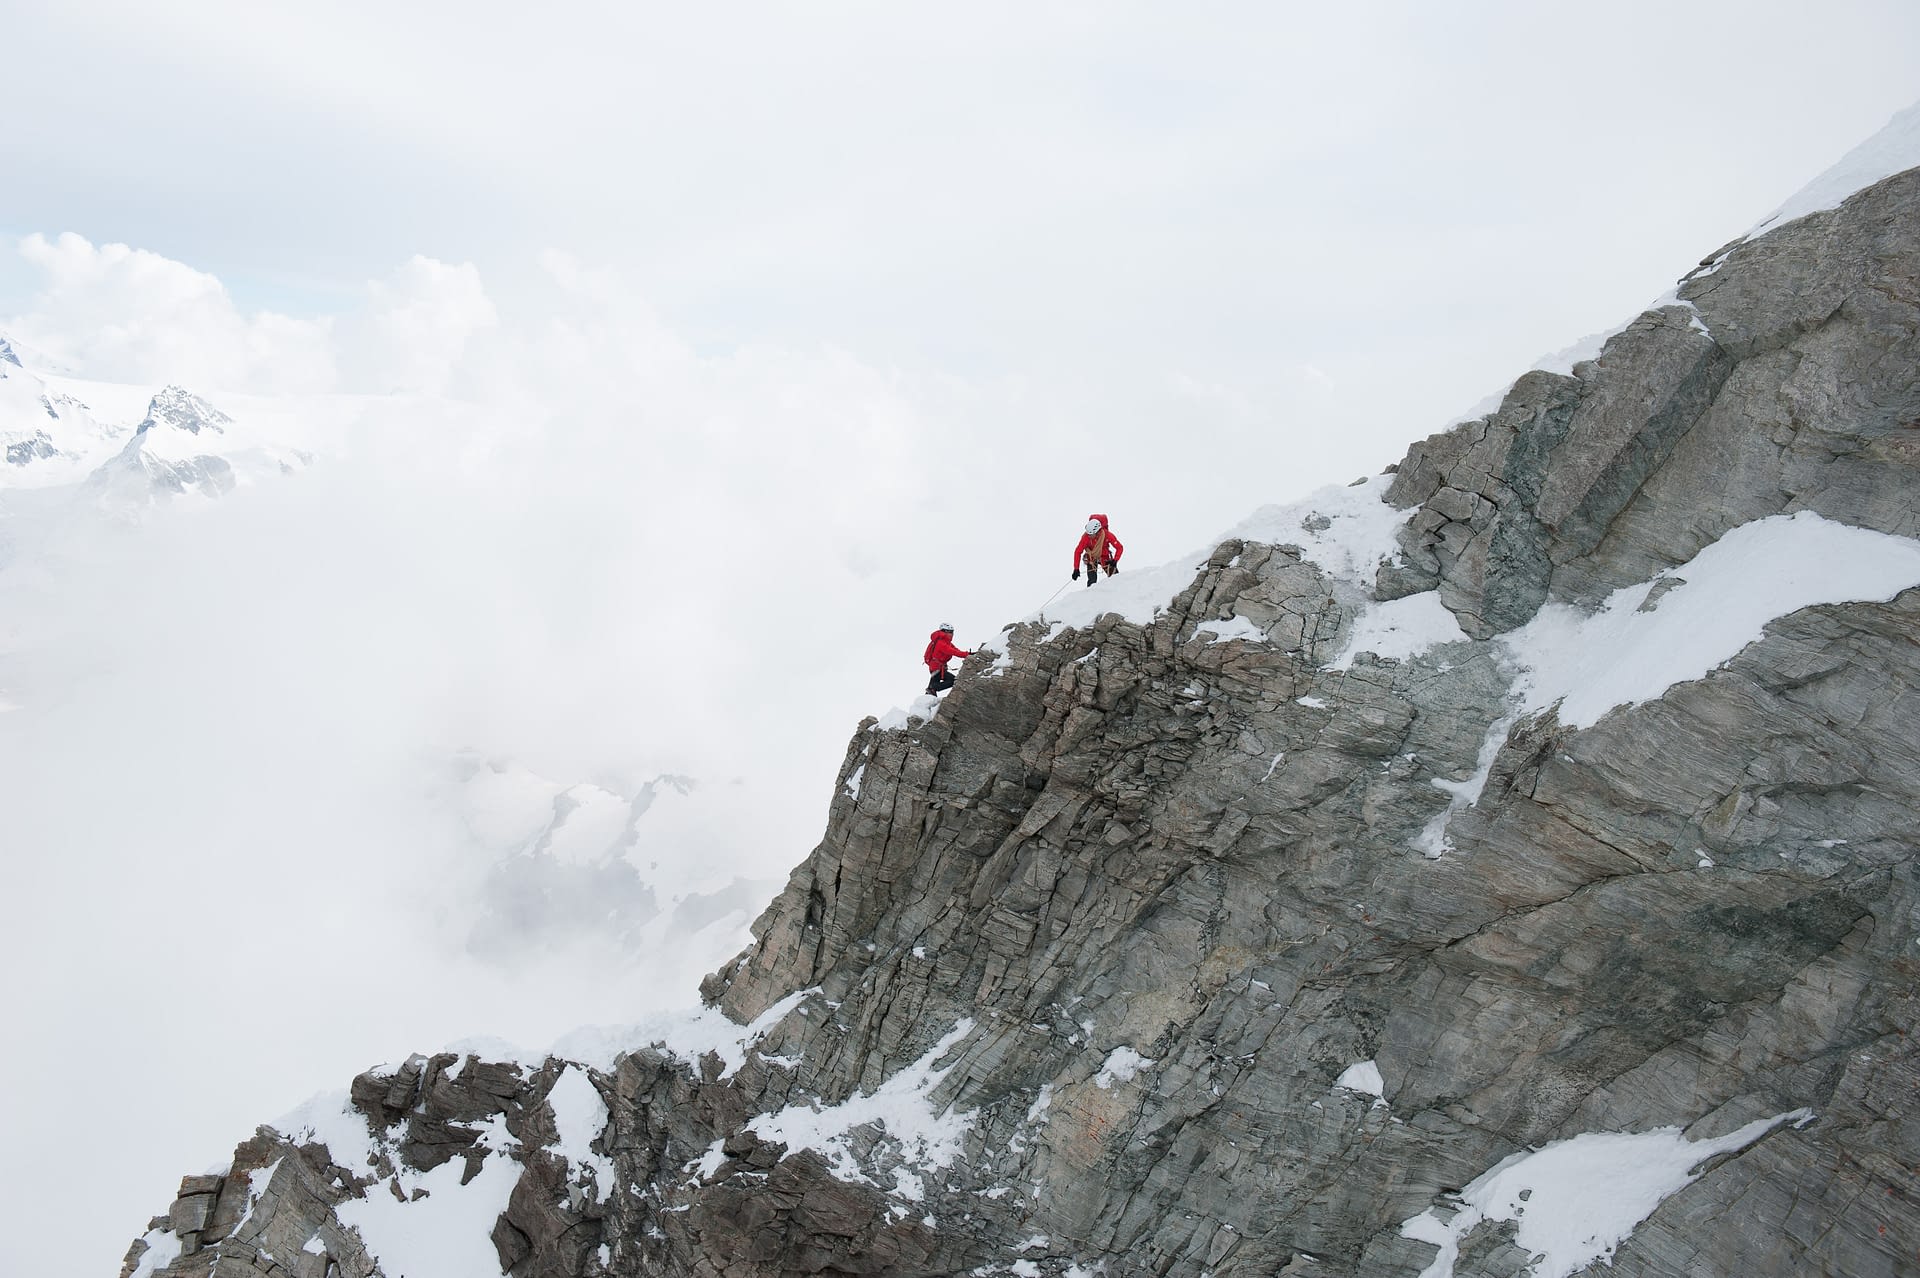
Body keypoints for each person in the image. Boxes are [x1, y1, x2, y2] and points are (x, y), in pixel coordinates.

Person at [1071, 513, 1124, 586]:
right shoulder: (1086, 537)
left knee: (1115, 578)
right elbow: (1078, 551)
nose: (1089, 535)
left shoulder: (1107, 535)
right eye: (1088, 533)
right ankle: (1090, 595)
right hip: (1091, 558)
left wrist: (1115, 560)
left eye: (1091, 534)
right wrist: (1076, 569)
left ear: (1098, 531)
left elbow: (1119, 547)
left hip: (1105, 557)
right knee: (1092, 581)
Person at [924, 623, 972, 694]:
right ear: (944, 632)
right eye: (950, 632)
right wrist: (966, 655)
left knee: (933, 688)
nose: (952, 634)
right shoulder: (941, 643)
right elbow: (953, 652)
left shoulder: (946, 642)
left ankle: (929, 693)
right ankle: (931, 689)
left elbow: (956, 650)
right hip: (937, 667)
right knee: (952, 681)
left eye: (952, 632)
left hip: (937, 667)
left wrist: (968, 654)